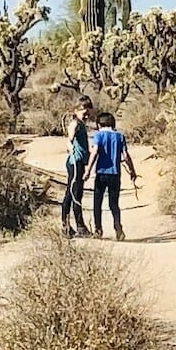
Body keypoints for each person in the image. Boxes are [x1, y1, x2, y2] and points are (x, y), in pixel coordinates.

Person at [83, 111, 138, 241]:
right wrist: (132, 170)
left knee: (97, 202)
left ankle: (98, 230)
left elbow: (95, 152)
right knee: (114, 203)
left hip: (101, 173)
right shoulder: (120, 136)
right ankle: (118, 228)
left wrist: (88, 170)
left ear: (99, 124)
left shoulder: (98, 136)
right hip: (115, 174)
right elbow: (126, 156)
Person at [61, 95, 94, 237]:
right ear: (76, 110)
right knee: (74, 194)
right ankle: (77, 226)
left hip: (79, 163)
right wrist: (69, 146)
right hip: (75, 163)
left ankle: (69, 226)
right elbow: (69, 139)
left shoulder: (81, 124)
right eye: (84, 112)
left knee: (72, 193)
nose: (86, 115)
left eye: (88, 113)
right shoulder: (75, 124)